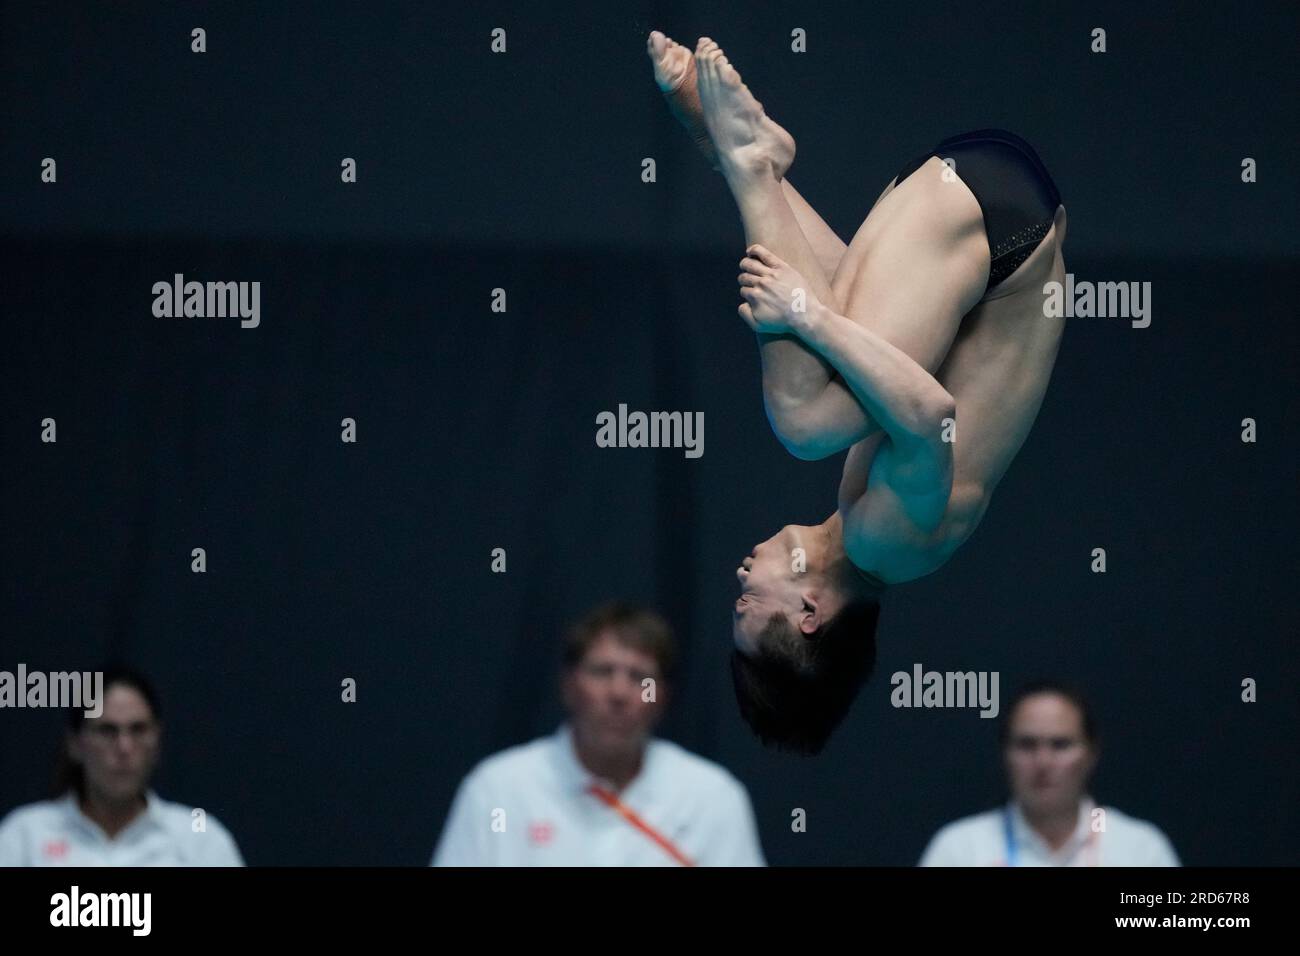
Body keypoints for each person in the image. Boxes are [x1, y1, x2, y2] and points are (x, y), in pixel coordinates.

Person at [647, 33, 1069, 754]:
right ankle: (751, 164)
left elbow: (872, 315)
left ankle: (748, 161)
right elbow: (933, 414)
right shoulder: (890, 542)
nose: (740, 575)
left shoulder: (862, 523)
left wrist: (812, 311)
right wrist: (803, 314)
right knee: (807, 418)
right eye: (750, 602)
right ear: (810, 613)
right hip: (1000, 226)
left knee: (828, 364)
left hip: (980, 215)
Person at [431, 602, 765, 866]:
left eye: (639, 677)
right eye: (602, 671)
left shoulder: (711, 798)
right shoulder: (497, 792)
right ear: (568, 685)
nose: (619, 692)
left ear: (662, 697)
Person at [0, 667, 244, 866]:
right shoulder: (23, 835)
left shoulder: (202, 837)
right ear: (75, 744)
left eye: (138, 730)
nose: (124, 747)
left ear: (157, 741)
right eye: (107, 731)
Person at [920, 682, 1180, 866]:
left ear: (1091, 753)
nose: (1043, 761)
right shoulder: (961, 848)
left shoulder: (1139, 848)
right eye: (1026, 744)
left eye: (1060, 744)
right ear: (1005, 753)